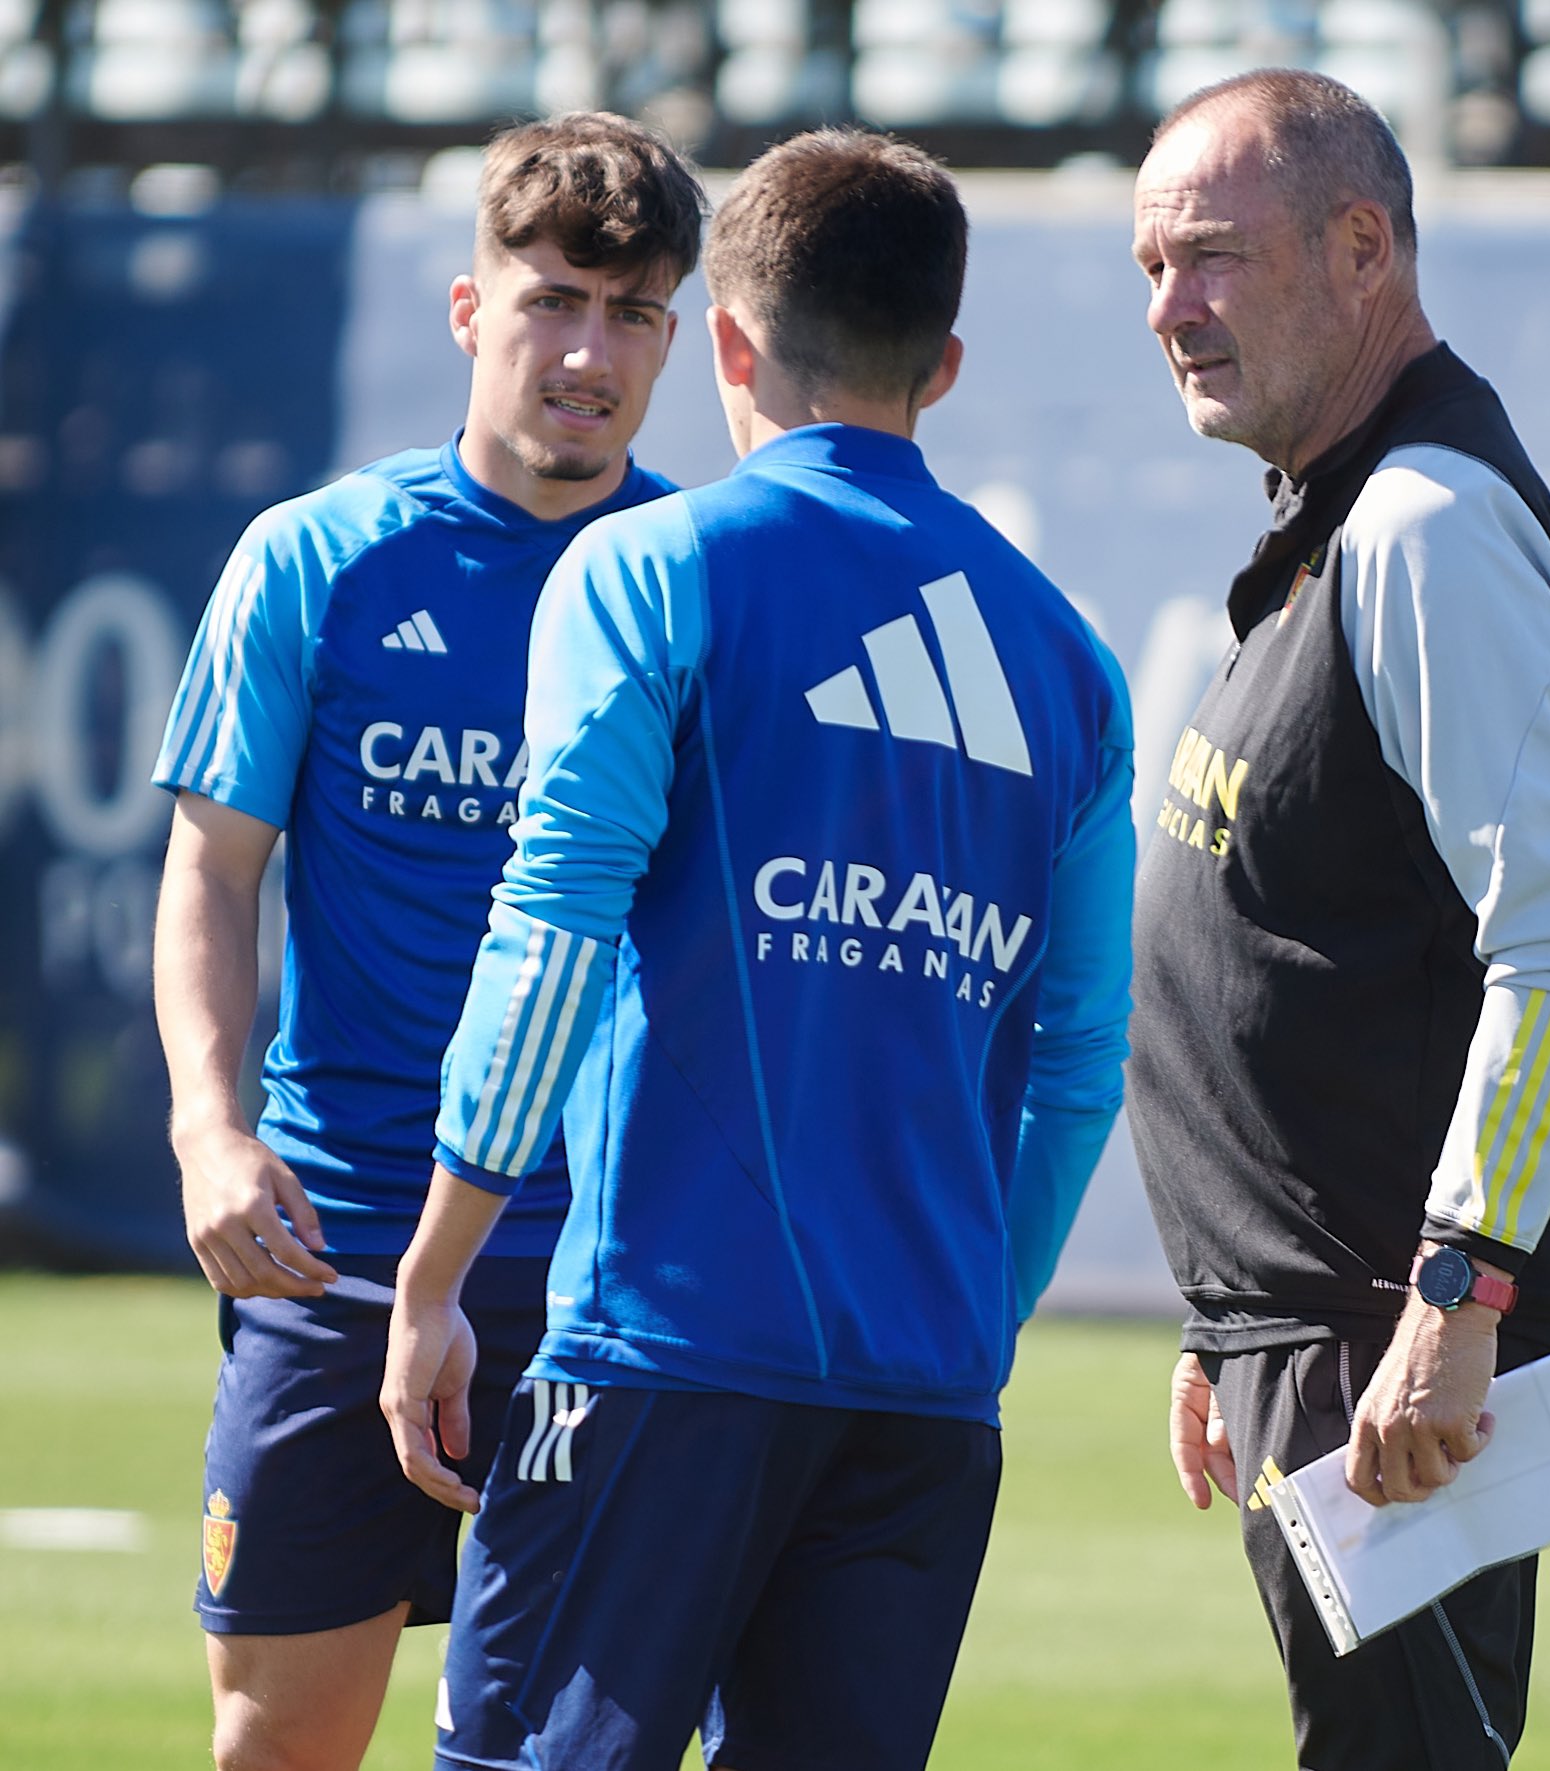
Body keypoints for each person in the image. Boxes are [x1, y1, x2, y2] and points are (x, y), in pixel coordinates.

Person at [379, 127, 1136, 1771]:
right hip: (926, 1395)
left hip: (665, 1355)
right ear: (942, 363)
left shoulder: (651, 567)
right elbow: (1080, 1059)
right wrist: (973, 1319)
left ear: (725, 341)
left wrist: (435, 1273)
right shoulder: (1072, 661)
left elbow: (552, 927)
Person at [150, 112, 705, 1771]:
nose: (588, 353)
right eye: (551, 302)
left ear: (680, 336)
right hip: (334, 1250)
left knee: (566, 1753)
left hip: (612, 1278)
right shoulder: (316, 560)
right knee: (278, 1742)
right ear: (469, 311)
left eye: (632, 314)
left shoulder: (703, 580)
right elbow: (208, 876)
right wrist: (207, 1133)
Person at [1124, 69, 1550, 1770]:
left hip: (1391, 1358)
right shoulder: (1339, 513)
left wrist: (1458, 1294)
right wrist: (1230, 1318)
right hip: (1322, 1330)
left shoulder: (1425, 522)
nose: (1171, 312)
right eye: (1148, 271)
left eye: (1207, 258)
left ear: (1362, 248)